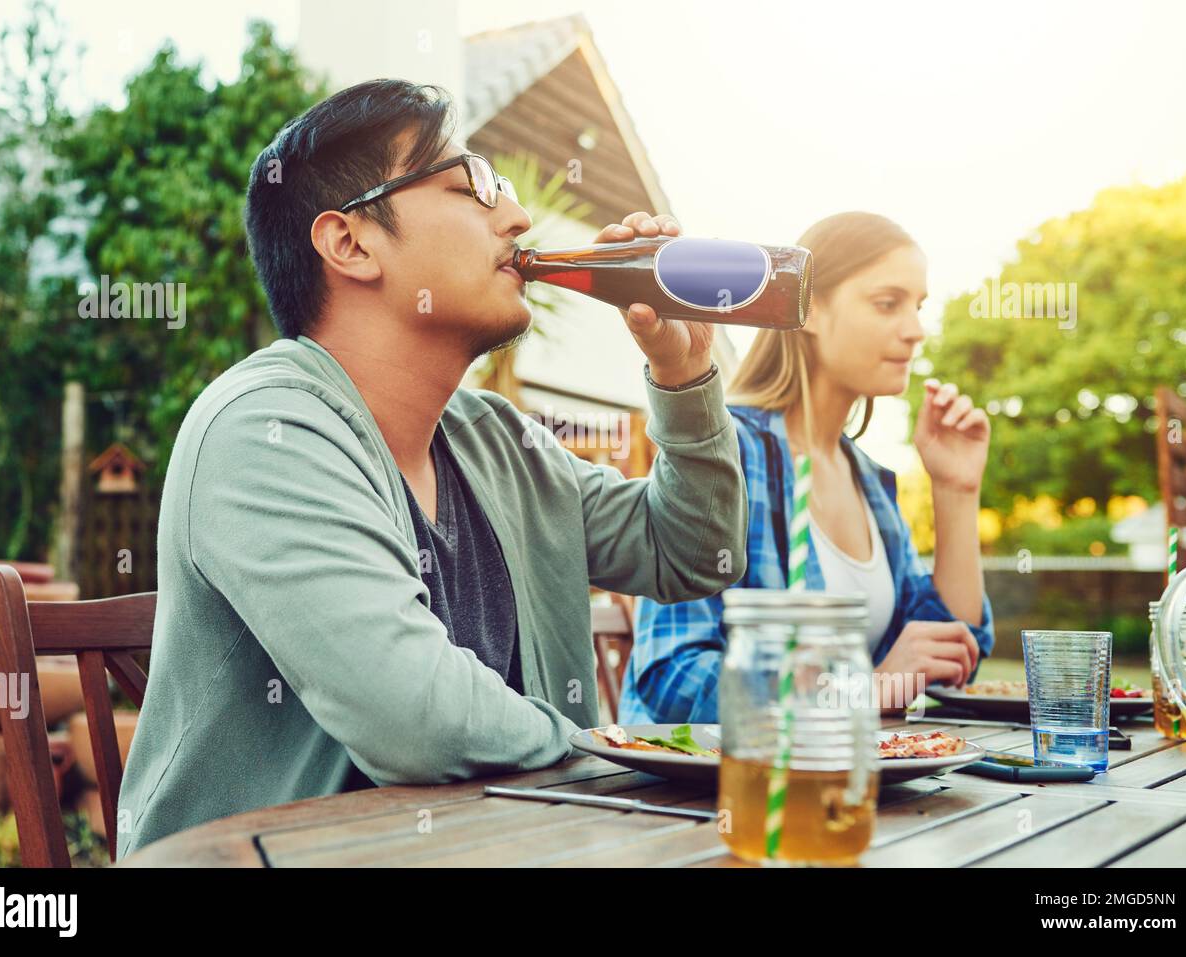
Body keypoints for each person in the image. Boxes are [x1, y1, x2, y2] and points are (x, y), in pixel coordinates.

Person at [116, 79, 747, 854]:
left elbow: (691, 552)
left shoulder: (496, 440)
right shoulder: (265, 429)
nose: (518, 217)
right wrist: (608, 752)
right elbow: (413, 713)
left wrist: (683, 379)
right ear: (350, 243)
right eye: (471, 185)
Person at [619, 211, 994, 723]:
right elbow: (673, 673)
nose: (915, 331)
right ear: (810, 307)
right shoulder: (722, 454)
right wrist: (861, 690)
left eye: (918, 306)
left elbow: (952, 652)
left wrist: (956, 489)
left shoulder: (869, 480)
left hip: (843, 786)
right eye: (888, 304)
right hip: (712, 795)